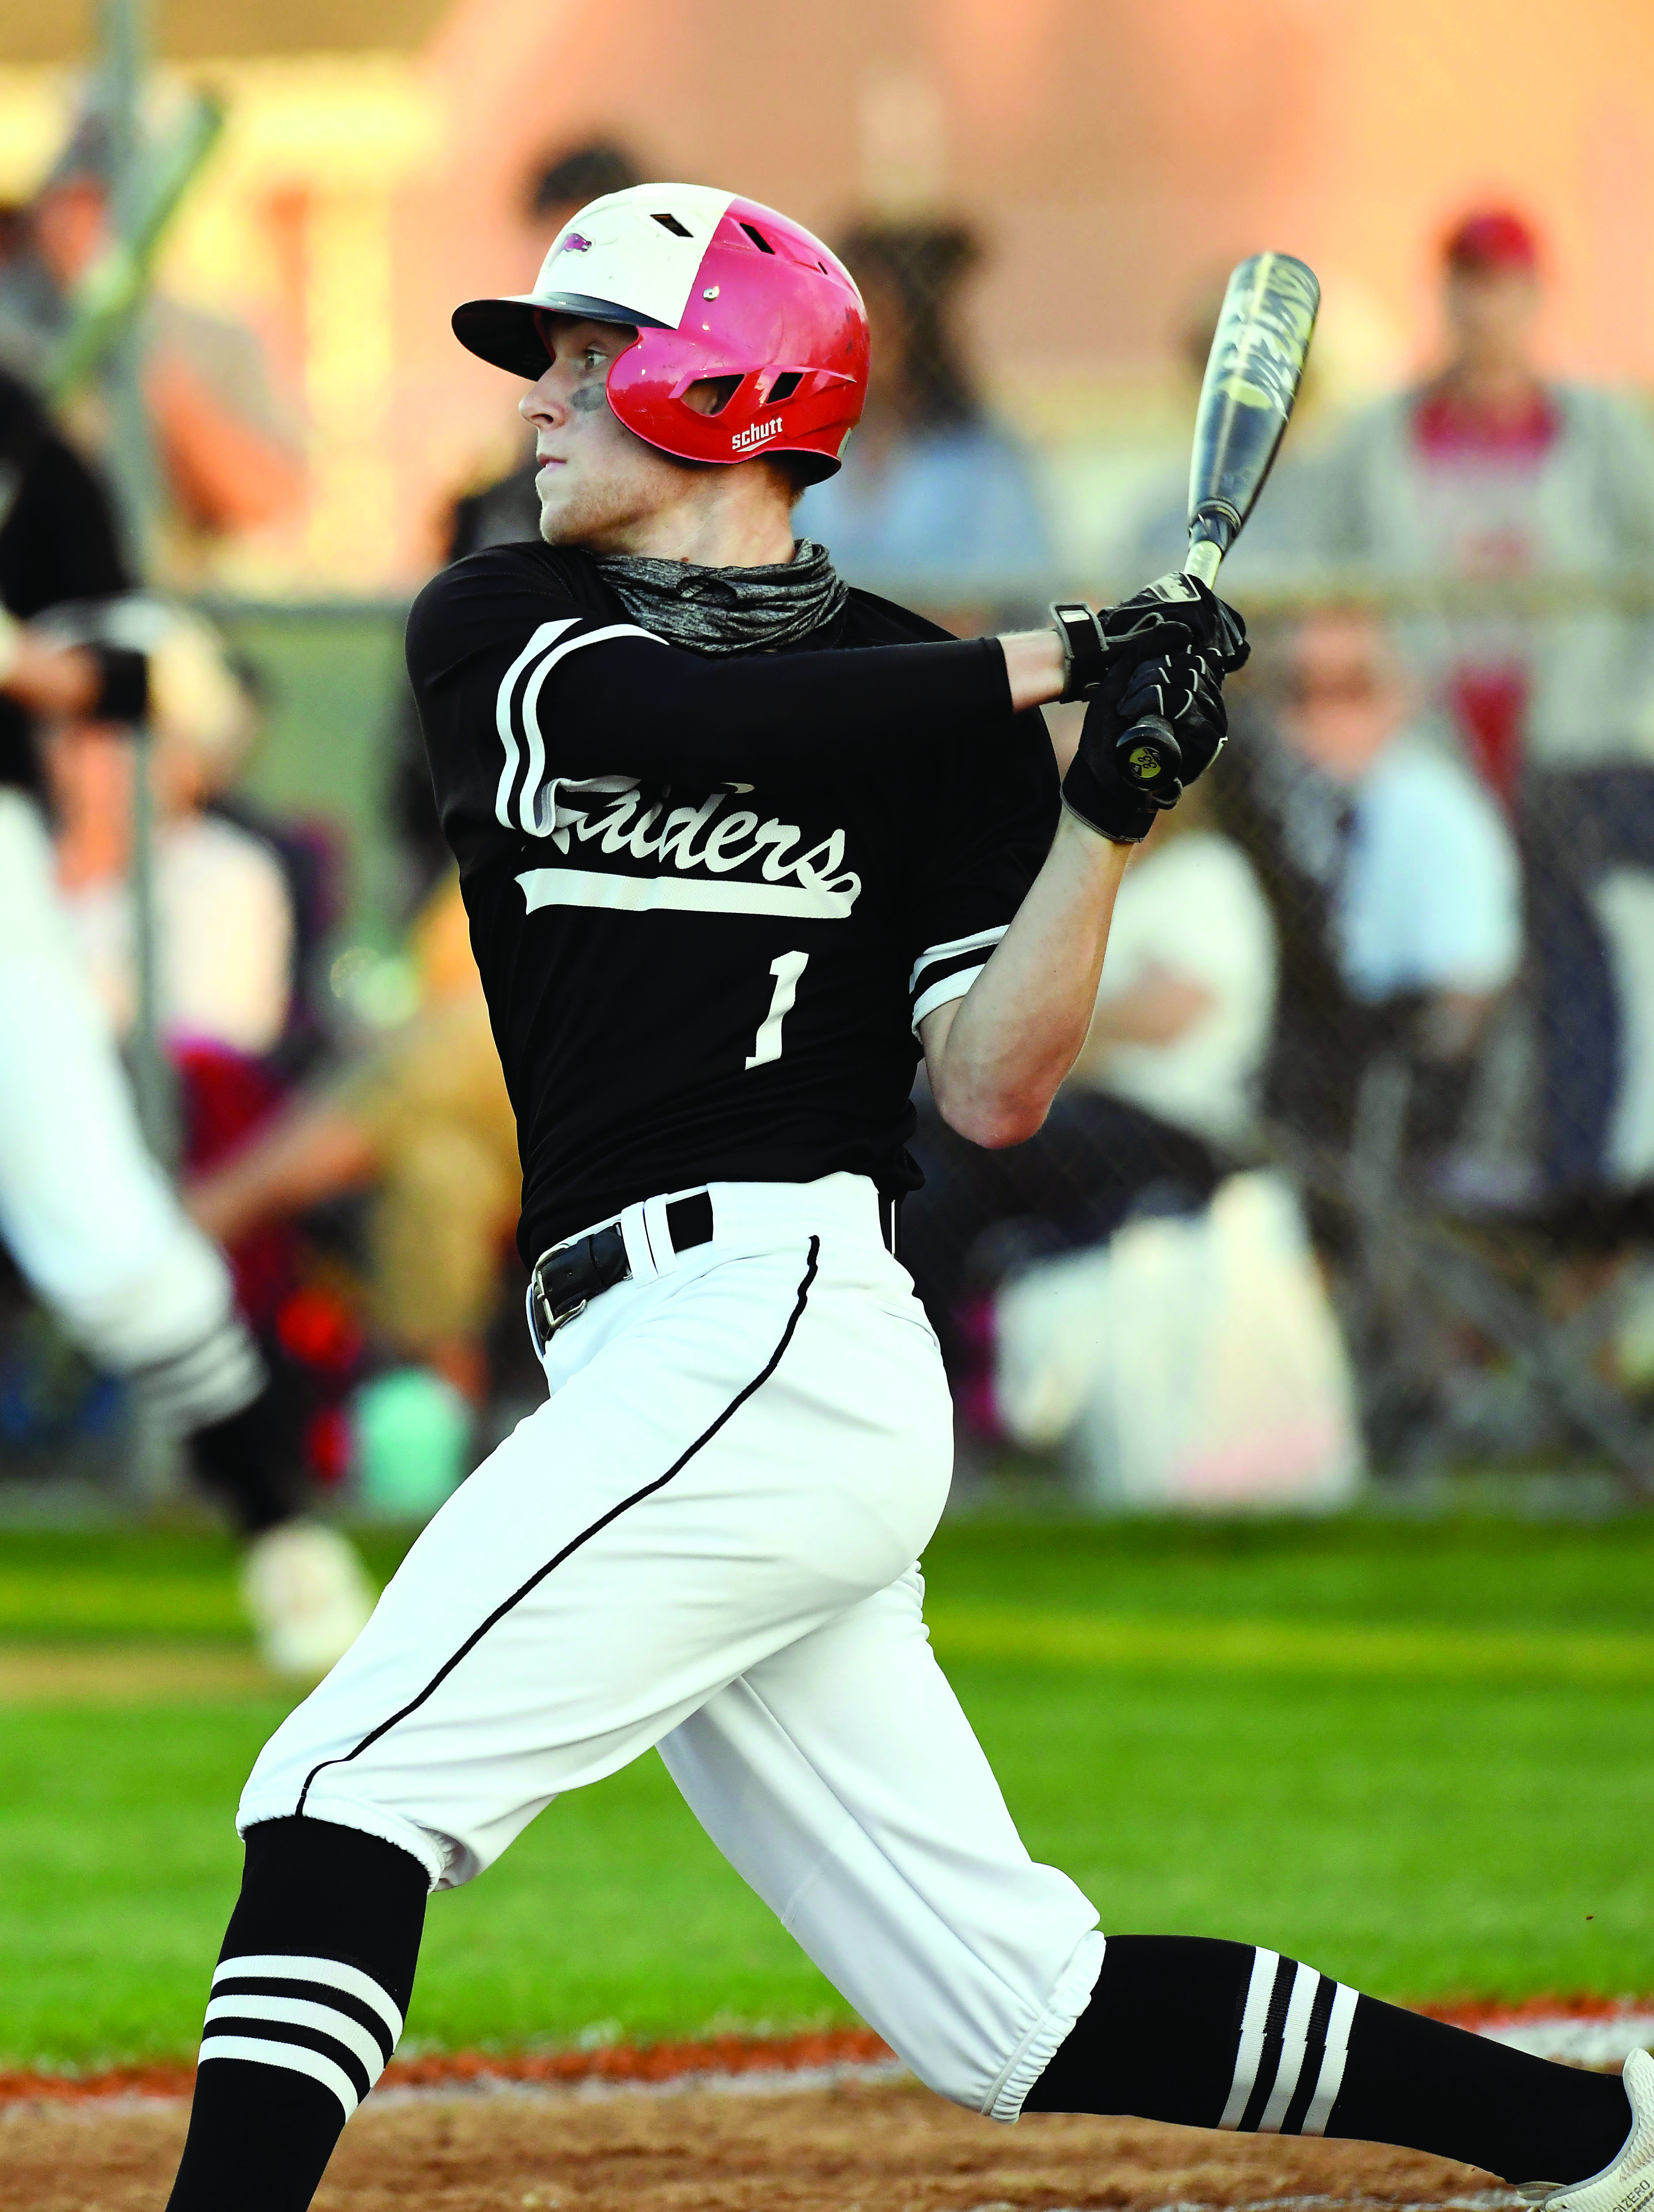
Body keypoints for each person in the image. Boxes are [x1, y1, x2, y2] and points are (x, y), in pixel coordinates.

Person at [163, 181, 1650, 2212]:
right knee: (1009, 2006)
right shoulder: (506, 624)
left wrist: (1102, 818)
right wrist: (1055, 658)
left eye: (591, 357)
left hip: (774, 1322)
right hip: (663, 1357)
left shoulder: (930, 702)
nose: (542, 399)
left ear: (730, 384)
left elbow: (996, 1081)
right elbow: (695, 712)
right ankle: (1595, 2130)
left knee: (338, 1786)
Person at [0, 364, 371, 1676]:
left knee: (104, 1236)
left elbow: (141, 683)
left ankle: (286, 1534)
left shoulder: (20, 439)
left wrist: (23, 665)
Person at [1244, 605, 1522, 1160]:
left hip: (1387, 1065)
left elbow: (1467, 987)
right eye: (1301, 690)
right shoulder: (1288, 801)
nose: (1323, 713)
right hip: (1308, 1048)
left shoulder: (1436, 812)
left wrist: (1401, 1109)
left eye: (1352, 689)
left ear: (1403, 693)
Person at [794, 219, 1050, 606]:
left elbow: (1012, 596)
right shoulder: (799, 444)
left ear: (920, 334)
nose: (851, 345)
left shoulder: (984, 460)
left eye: (875, 322)